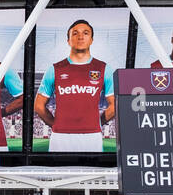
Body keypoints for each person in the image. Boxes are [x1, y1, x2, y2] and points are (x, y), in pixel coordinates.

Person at [35, 19, 116, 152]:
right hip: (60, 137)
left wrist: (98, 123)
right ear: (68, 40)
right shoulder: (54, 69)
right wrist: (56, 124)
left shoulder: (104, 68)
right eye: (75, 33)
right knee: (59, 172)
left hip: (92, 136)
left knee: (93, 173)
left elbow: (115, 104)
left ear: (91, 40)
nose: (80, 37)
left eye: (86, 33)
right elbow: (38, 105)